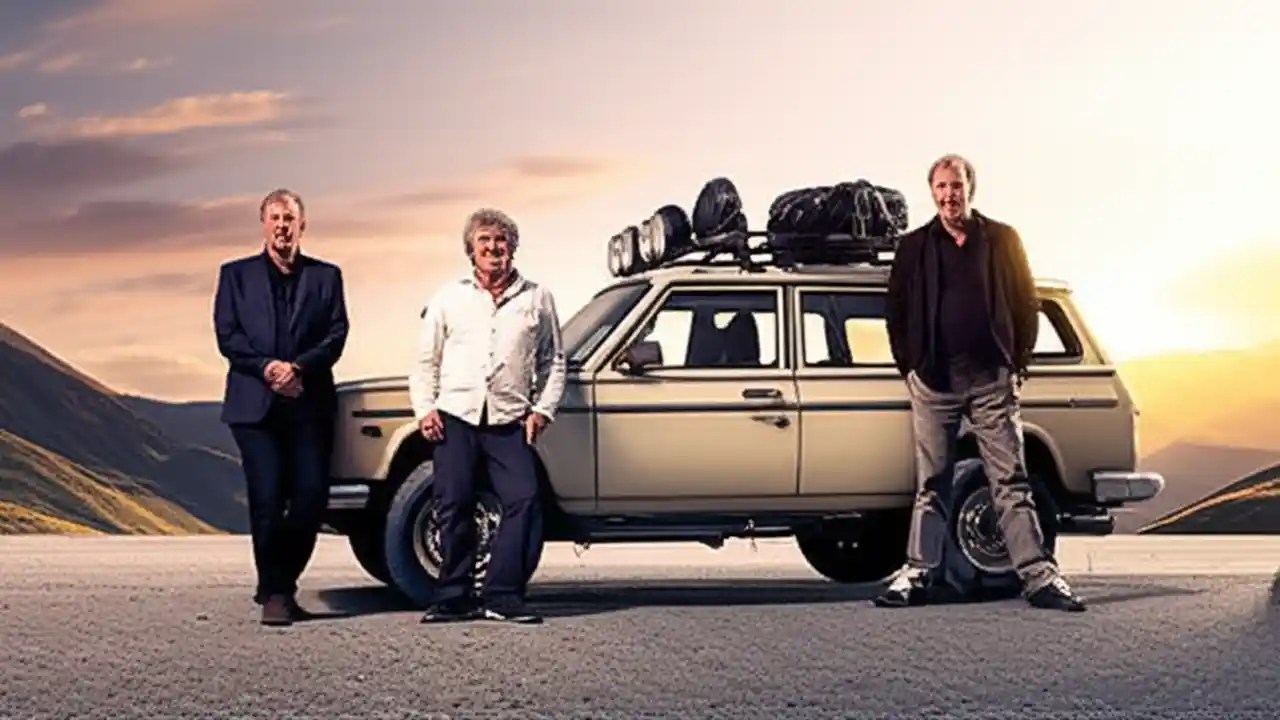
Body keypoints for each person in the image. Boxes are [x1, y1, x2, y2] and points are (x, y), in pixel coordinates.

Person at [876, 154, 1086, 612]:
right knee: (932, 483)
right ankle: (917, 574)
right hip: (934, 383)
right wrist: (909, 366)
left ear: (971, 188)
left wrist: (1016, 364)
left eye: (957, 185)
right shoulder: (913, 247)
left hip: (992, 379)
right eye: (941, 186)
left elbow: (1024, 302)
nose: (949, 194)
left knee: (1010, 479)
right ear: (932, 192)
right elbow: (896, 312)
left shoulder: (1003, 239)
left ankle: (1041, 578)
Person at [408, 207, 566, 624]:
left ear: (512, 248)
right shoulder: (448, 297)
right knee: (452, 502)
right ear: (470, 250)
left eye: (501, 241)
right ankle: (453, 596)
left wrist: (542, 411)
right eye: (485, 241)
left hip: (510, 421)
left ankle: (503, 595)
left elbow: (554, 361)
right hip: (455, 416)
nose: (494, 248)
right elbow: (426, 360)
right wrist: (425, 408)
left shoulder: (537, 297)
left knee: (525, 500)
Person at [213, 188, 349, 626]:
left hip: (308, 405)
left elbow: (337, 334)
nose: (282, 226)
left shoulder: (327, 277)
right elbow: (228, 337)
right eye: (275, 218)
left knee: (310, 499)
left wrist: (298, 369)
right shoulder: (235, 275)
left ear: (302, 225)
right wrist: (268, 368)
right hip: (254, 407)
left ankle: (276, 578)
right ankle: (278, 593)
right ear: (263, 224)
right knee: (268, 499)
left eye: (289, 218)